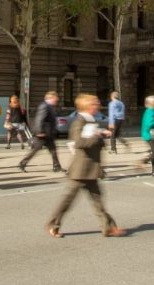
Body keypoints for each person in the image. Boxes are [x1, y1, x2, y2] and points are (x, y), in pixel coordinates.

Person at [45, 93, 126, 239]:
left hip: (90, 169)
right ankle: (53, 224)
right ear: (87, 107)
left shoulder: (90, 121)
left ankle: (108, 228)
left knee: (98, 201)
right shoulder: (79, 122)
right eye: (94, 103)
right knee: (68, 200)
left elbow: (89, 138)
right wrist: (98, 136)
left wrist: (100, 133)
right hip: (81, 170)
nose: (98, 105)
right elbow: (79, 142)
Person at [20, 91, 62, 173]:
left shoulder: (50, 106)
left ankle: (57, 166)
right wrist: (39, 131)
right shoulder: (44, 106)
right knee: (35, 149)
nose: (57, 100)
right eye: (56, 98)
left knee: (53, 150)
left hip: (48, 133)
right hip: (42, 133)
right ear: (51, 98)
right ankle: (22, 163)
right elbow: (40, 119)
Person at [139, 95, 154, 177]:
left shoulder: (153, 111)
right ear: (151, 103)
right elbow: (148, 124)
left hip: (153, 135)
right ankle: (144, 161)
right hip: (149, 135)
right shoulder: (150, 111)